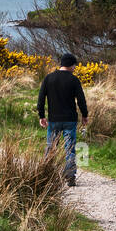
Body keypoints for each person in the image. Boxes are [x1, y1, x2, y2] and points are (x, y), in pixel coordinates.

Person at [38, 53, 88, 186]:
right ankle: (70, 176)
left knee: (51, 148)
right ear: (72, 65)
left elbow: (41, 99)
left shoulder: (48, 78)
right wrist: (84, 115)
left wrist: (41, 116)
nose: (74, 68)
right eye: (74, 66)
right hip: (70, 120)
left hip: (53, 120)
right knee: (69, 148)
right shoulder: (74, 80)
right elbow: (81, 100)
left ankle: (45, 175)